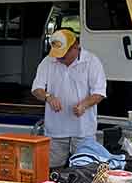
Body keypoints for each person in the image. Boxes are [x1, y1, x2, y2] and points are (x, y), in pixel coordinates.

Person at [31, 29, 107, 168]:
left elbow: (99, 92)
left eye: (64, 54)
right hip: (55, 130)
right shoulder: (48, 61)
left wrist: (84, 105)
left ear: (75, 47)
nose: (59, 58)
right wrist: (48, 97)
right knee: (53, 170)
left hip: (83, 130)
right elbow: (36, 89)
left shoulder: (92, 61)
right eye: (57, 54)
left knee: (84, 172)